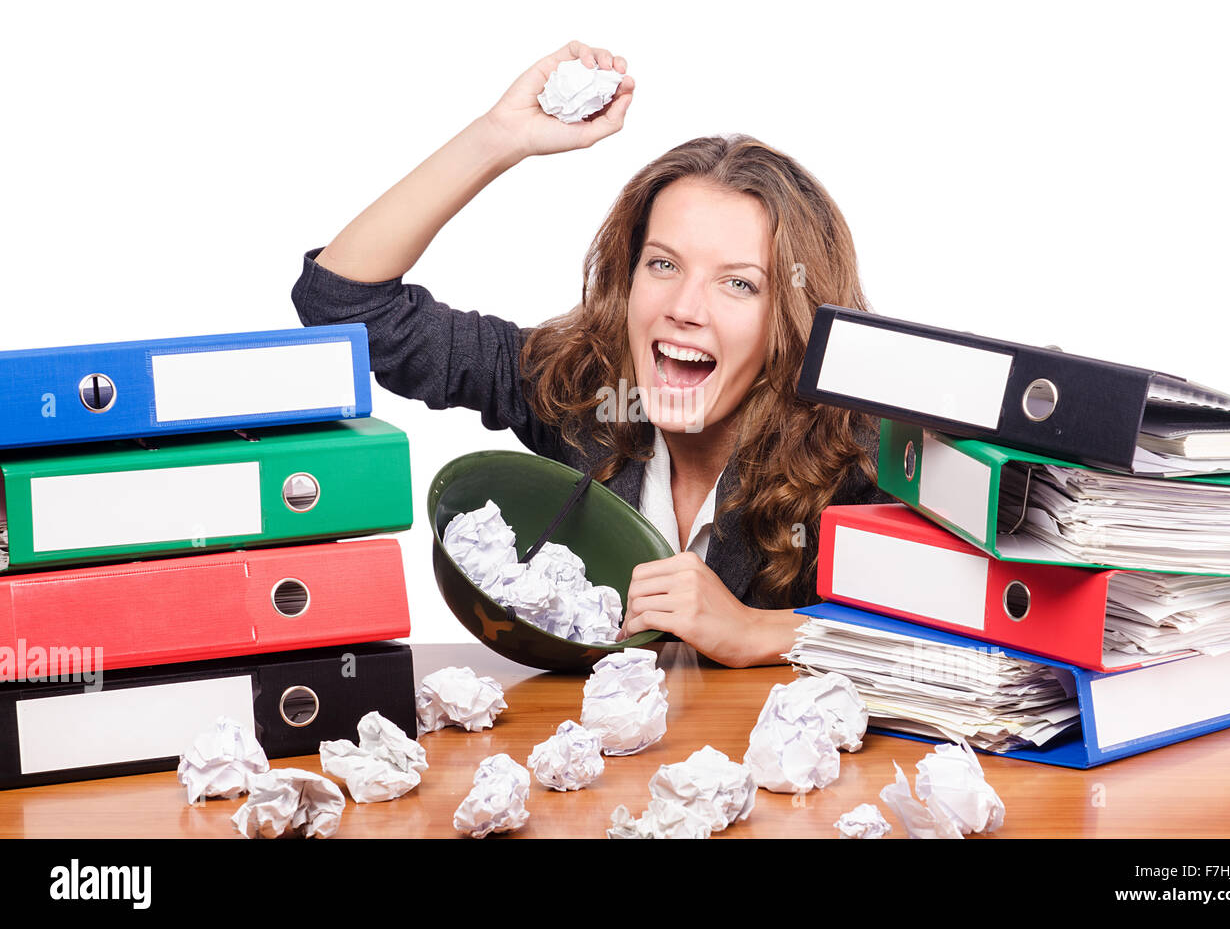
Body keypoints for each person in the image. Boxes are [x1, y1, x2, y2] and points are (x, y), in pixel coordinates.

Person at [291, 40, 893, 668]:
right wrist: (499, 137)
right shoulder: (584, 390)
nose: (685, 307)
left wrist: (761, 631)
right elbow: (342, 305)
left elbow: (978, 644)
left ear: (792, 318)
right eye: (663, 265)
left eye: (738, 283)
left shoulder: (868, 451)